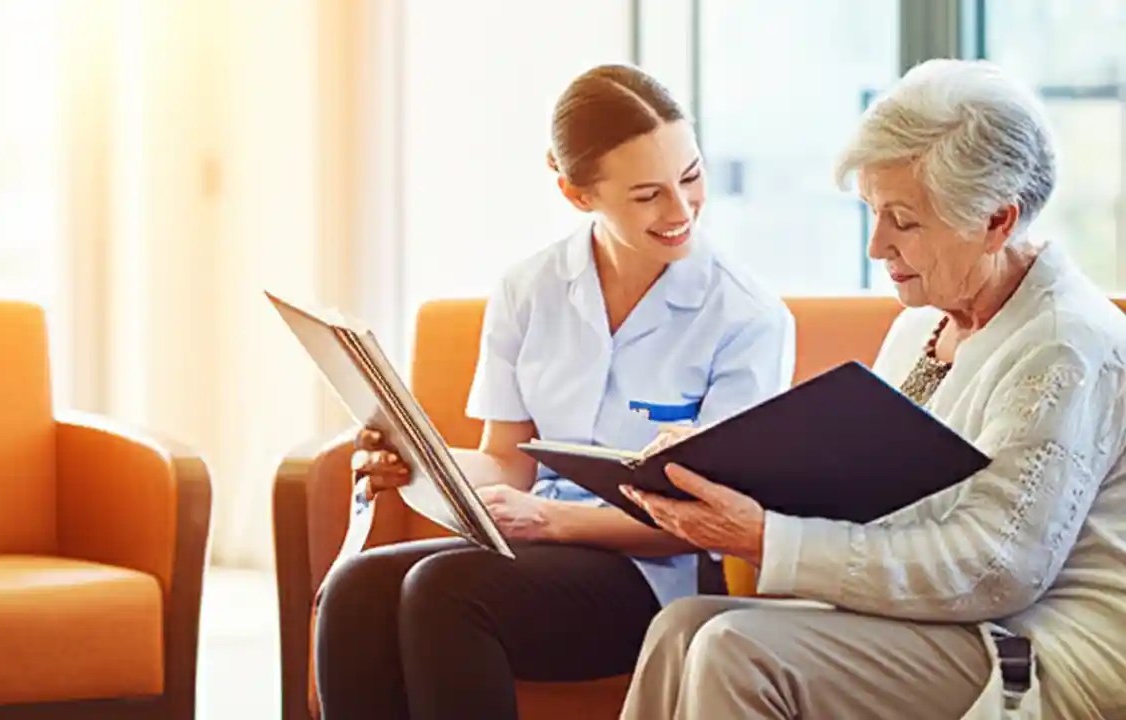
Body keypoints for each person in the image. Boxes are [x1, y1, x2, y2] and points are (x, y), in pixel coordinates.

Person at [618, 58, 1126, 720]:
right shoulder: (922, 321)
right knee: (682, 627)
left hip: (1039, 640)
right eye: (870, 213)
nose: (876, 246)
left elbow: (996, 569)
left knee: (734, 648)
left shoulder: (1066, 344)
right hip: (939, 622)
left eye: (904, 221)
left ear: (998, 220)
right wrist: (727, 466)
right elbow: (871, 492)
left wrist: (768, 540)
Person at [313, 64, 795, 720]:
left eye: (691, 176)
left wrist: (552, 520)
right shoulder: (529, 289)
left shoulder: (747, 317)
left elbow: (704, 521)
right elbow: (508, 460)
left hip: (657, 573)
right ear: (576, 194)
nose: (681, 211)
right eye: (648, 194)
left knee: (443, 590)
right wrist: (419, 462)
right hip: (537, 555)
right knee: (355, 590)